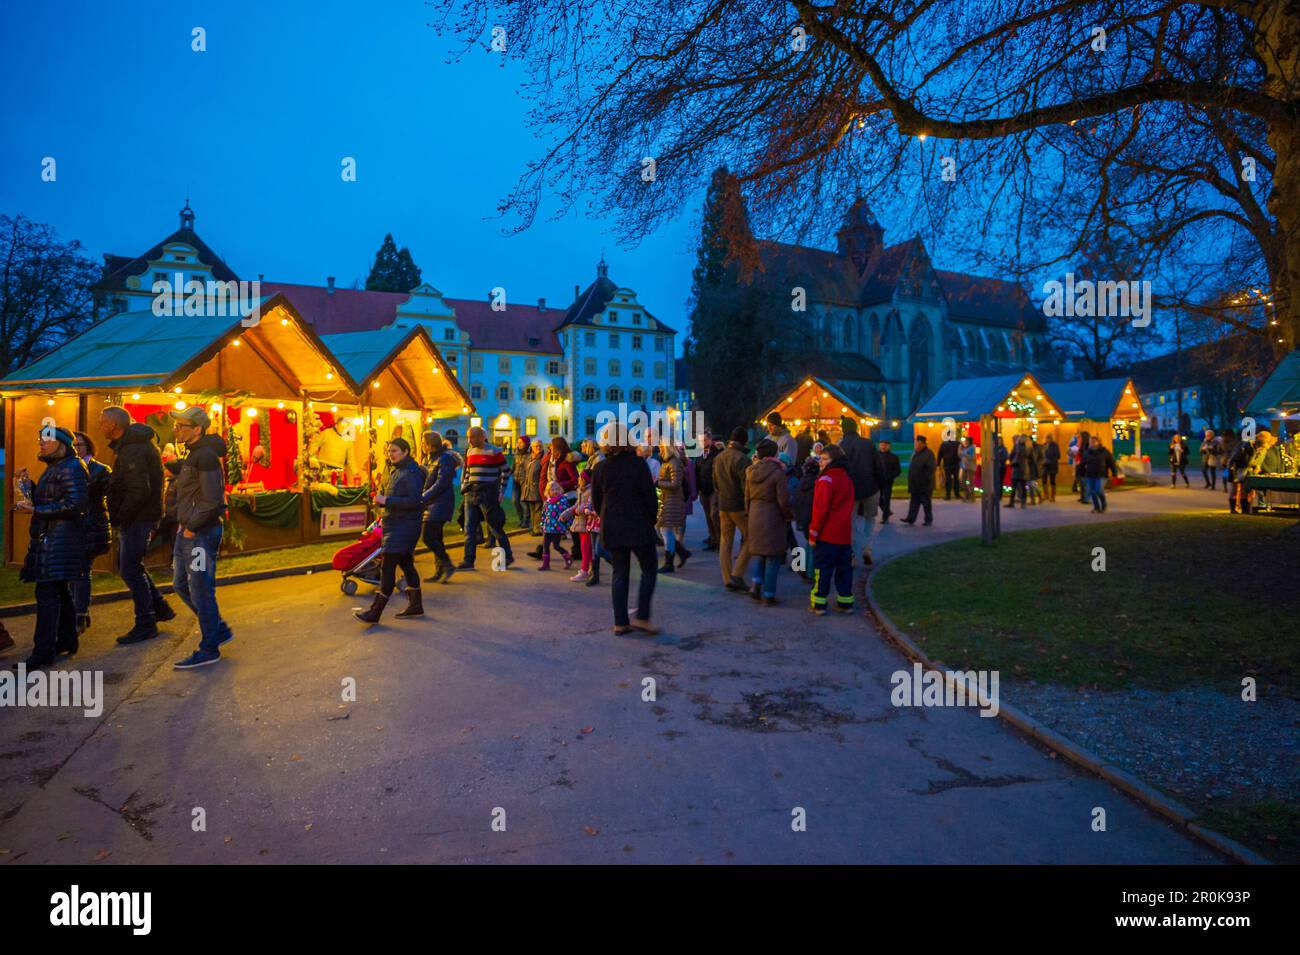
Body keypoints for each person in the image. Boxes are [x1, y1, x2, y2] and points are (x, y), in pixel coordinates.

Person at [99, 406, 174, 645]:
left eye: (103, 422)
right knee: (131, 565)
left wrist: (121, 515)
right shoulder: (131, 446)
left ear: (114, 425)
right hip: (140, 515)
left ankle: (146, 622)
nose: (100, 425)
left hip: (138, 517)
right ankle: (159, 608)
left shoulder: (132, 449)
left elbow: (139, 489)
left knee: (129, 567)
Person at [167, 407, 234, 669]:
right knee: (181, 584)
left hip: (199, 533)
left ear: (197, 429)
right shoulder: (194, 454)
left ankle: (209, 647)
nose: (177, 430)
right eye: (177, 426)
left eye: (182, 426)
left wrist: (192, 527)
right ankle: (217, 628)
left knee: (200, 588)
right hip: (188, 531)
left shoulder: (204, 456)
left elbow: (212, 499)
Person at [15, 426, 87, 668]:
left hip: (60, 541)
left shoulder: (72, 468)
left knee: (47, 595)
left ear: (61, 444)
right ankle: (67, 640)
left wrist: (37, 510)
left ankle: (42, 652)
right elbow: (52, 498)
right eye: (40, 439)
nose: (41, 443)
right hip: (55, 540)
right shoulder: (57, 467)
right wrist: (28, 487)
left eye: (46, 439)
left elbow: (75, 504)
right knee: (60, 592)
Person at [590, 428, 659, 635]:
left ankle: (620, 622)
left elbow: (596, 501)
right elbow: (650, 496)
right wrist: (651, 519)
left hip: (612, 524)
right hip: (638, 523)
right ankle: (642, 616)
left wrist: (605, 517)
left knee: (620, 572)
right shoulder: (638, 464)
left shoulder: (600, 468)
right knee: (649, 568)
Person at [355, 438, 428, 622]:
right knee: (406, 565)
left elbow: (413, 501)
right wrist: (382, 499)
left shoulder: (412, 473)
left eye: (394, 450)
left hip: (405, 526)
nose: (390, 454)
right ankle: (416, 605)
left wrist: (386, 501)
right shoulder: (398, 470)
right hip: (395, 525)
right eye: (389, 451)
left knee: (387, 568)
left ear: (405, 452)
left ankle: (375, 612)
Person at [837, 416, 886, 609]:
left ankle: (851, 552)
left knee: (851, 521)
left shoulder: (842, 446)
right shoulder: (868, 444)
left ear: (843, 429)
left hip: (851, 489)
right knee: (870, 519)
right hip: (871, 487)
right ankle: (866, 548)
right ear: (857, 428)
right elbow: (878, 466)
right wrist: (881, 485)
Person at [741, 438, 793, 606]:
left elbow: (746, 497)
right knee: (773, 557)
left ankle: (755, 586)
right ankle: (769, 595)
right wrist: (788, 515)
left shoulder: (750, 471)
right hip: (773, 517)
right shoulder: (778, 473)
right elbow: (783, 500)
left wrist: (750, 514)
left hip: (755, 514)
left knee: (761, 555)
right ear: (774, 453)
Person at [70, 431, 112, 635]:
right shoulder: (65, 469)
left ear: (89, 447)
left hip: (91, 526)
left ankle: (79, 613)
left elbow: (103, 497)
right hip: (71, 527)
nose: (76, 450)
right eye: (73, 446)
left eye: (80, 445)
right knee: (71, 571)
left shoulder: (100, 470)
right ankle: (75, 613)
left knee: (81, 570)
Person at [457, 426, 514, 570]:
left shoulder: (494, 451)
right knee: (469, 528)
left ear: (483, 436)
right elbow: (468, 471)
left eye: (473, 437)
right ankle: (468, 560)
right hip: (471, 492)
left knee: (494, 525)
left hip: (488, 493)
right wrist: (464, 485)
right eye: (468, 437)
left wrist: (501, 491)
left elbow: (506, 472)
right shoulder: (469, 451)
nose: (470, 440)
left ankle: (508, 556)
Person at [807, 444, 855, 615]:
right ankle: (846, 602)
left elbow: (820, 510)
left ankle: (818, 603)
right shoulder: (847, 479)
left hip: (827, 534)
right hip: (844, 533)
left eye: (825, 459)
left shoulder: (825, 480)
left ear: (834, 461)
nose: (821, 462)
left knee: (822, 569)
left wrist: (813, 533)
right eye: (820, 458)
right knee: (844, 569)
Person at [713, 427, 753, 591]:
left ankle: (727, 578)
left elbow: (715, 483)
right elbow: (747, 488)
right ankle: (737, 574)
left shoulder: (719, 457)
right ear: (744, 441)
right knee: (751, 538)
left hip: (723, 504)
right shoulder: (743, 459)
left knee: (725, 542)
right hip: (738, 506)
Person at [420, 431, 458, 584]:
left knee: (428, 537)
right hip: (431, 503)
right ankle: (439, 570)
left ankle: (447, 564)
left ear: (429, 444)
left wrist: (423, 496)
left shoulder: (445, 458)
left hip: (440, 503)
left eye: (423, 443)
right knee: (437, 538)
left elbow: (441, 483)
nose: (422, 445)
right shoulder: (429, 459)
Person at [656, 443, 690, 572]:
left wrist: (658, 483)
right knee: (664, 530)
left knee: (665, 530)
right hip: (667, 499)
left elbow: (676, 483)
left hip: (673, 501)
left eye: (661, 447)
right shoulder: (668, 461)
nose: (659, 449)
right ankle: (681, 553)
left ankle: (669, 562)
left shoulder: (674, 462)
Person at [564, 468, 601, 583]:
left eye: (581, 477)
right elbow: (576, 505)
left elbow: (583, 506)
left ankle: (584, 570)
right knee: (585, 547)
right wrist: (567, 512)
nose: (578, 479)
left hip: (586, 523)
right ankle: (590, 567)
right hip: (581, 522)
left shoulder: (590, 491)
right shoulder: (581, 490)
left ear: (585, 479)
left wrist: (573, 512)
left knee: (585, 547)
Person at [537, 480, 575, 570]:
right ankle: (545, 564)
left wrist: (568, 525)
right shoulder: (547, 502)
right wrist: (542, 525)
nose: (555, 491)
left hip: (557, 528)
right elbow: (544, 515)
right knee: (545, 546)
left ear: (560, 489)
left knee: (556, 546)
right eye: (552, 490)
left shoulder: (563, 500)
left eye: (557, 489)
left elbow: (567, 514)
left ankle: (568, 557)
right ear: (548, 492)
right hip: (547, 528)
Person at [308, 415, 357, 483]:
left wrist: (355, 473)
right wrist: (312, 460)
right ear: (336, 425)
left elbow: (351, 459)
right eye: (343, 427)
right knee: (323, 491)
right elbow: (314, 446)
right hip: (324, 468)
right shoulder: (326, 433)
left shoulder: (348, 440)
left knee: (337, 491)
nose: (344, 429)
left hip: (339, 471)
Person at [901, 434, 936, 525]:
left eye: (917, 443)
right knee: (914, 502)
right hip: (915, 484)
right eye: (915, 443)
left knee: (926, 503)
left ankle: (928, 520)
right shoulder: (916, 453)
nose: (915, 444)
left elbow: (931, 469)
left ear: (922, 444)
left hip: (924, 485)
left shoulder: (928, 454)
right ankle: (910, 518)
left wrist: (924, 480)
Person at [695, 433, 720, 550]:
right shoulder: (700, 455)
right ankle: (713, 538)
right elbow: (697, 472)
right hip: (703, 490)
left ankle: (719, 540)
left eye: (705, 440)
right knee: (708, 516)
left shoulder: (716, 452)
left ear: (710, 440)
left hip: (714, 489)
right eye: (701, 441)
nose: (703, 443)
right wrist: (697, 488)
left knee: (714, 514)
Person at [1080, 435, 1119, 512]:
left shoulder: (1104, 452)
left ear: (1098, 442)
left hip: (1101, 474)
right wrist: (1080, 473)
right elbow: (1082, 464)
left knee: (1098, 490)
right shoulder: (1087, 452)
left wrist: (1114, 473)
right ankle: (1096, 507)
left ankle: (1104, 505)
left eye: (1093, 441)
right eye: (1091, 441)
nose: (1092, 443)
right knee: (1092, 491)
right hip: (1090, 474)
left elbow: (1111, 463)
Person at [1226, 434, 1253, 514]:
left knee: (1238, 490)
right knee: (1239, 490)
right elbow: (1236, 458)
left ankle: (1238, 509)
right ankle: (1241, 509)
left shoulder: (1239, 445)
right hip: (1239, 470)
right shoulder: (1245, 446)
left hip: (1237, 470)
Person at [522, 439, 544, 537]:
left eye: (540, 446)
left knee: (538, 508)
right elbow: (523, 472)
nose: (538, 448)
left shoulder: (543, 459)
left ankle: (537, 529)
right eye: (536, 446)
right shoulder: (527, 458)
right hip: (528, 488)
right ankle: (534, 527)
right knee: (531, 509)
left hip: (538, 487)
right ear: (532, 448)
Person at [878, 439, 902, 520]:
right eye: (881, 444)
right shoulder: (875, 456)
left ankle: (885, 518)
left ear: (889, 446)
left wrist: (890, 477)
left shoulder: (894, 457)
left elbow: (898, 471)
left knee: (886, 499)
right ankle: (887, 512)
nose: (883, 446)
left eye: (885, 445)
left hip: (888, 482)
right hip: (877, 482)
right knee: (878, 499)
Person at [511, 436, 532, 526]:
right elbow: (513, 468)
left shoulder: (530, 455)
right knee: (515, 501)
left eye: (521, 442)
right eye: (518, 442)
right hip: (516, 481)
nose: (519, 444)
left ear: (526, 444)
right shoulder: (516, 455)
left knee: (523, 501)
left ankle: (526, 520)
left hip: (525, 481)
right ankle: (520, 518)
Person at [937, 432, 961, 500]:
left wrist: (938, 464)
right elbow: (940, 454)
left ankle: (952, 495)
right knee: (950, 480)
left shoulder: (956, 443)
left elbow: (940, 455)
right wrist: (938, 464)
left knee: (953, 480)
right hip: (950, 464)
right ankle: (951, 494)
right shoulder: (945, 444)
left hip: (953, 464)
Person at [1006, 435, 1028, 508]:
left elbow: (1018, 455)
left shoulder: (1023, 447)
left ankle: (1022, 502)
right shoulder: (1017, 446)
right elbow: (1011, 455)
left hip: (1021, 468)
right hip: (1018, 468)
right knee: (1015, 486)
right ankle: (1013, 502)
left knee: (1021, 486)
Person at [1041, 433, 1060, 502]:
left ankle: (1052, 496)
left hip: (1052, 465)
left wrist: (1050, 460)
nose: (1047, 439)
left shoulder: (1055, 445)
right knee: (1044, 480)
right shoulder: (1044, 445)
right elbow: (1041, 454)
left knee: (1052, 481)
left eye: (1049, 438)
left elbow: (1058, 455)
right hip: (1044, 466)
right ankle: (1046, 495)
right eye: (1046, 438)